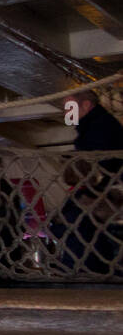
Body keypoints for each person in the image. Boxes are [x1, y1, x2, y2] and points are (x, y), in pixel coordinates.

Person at [55, 93, 123, 276]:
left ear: (85, 105)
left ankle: (83, 271)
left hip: (107, 193)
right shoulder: (95, 126)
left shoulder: (100, 127)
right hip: (103, 191)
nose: (66, 113)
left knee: (73, 221)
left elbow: (101, 166)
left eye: (70, 107)